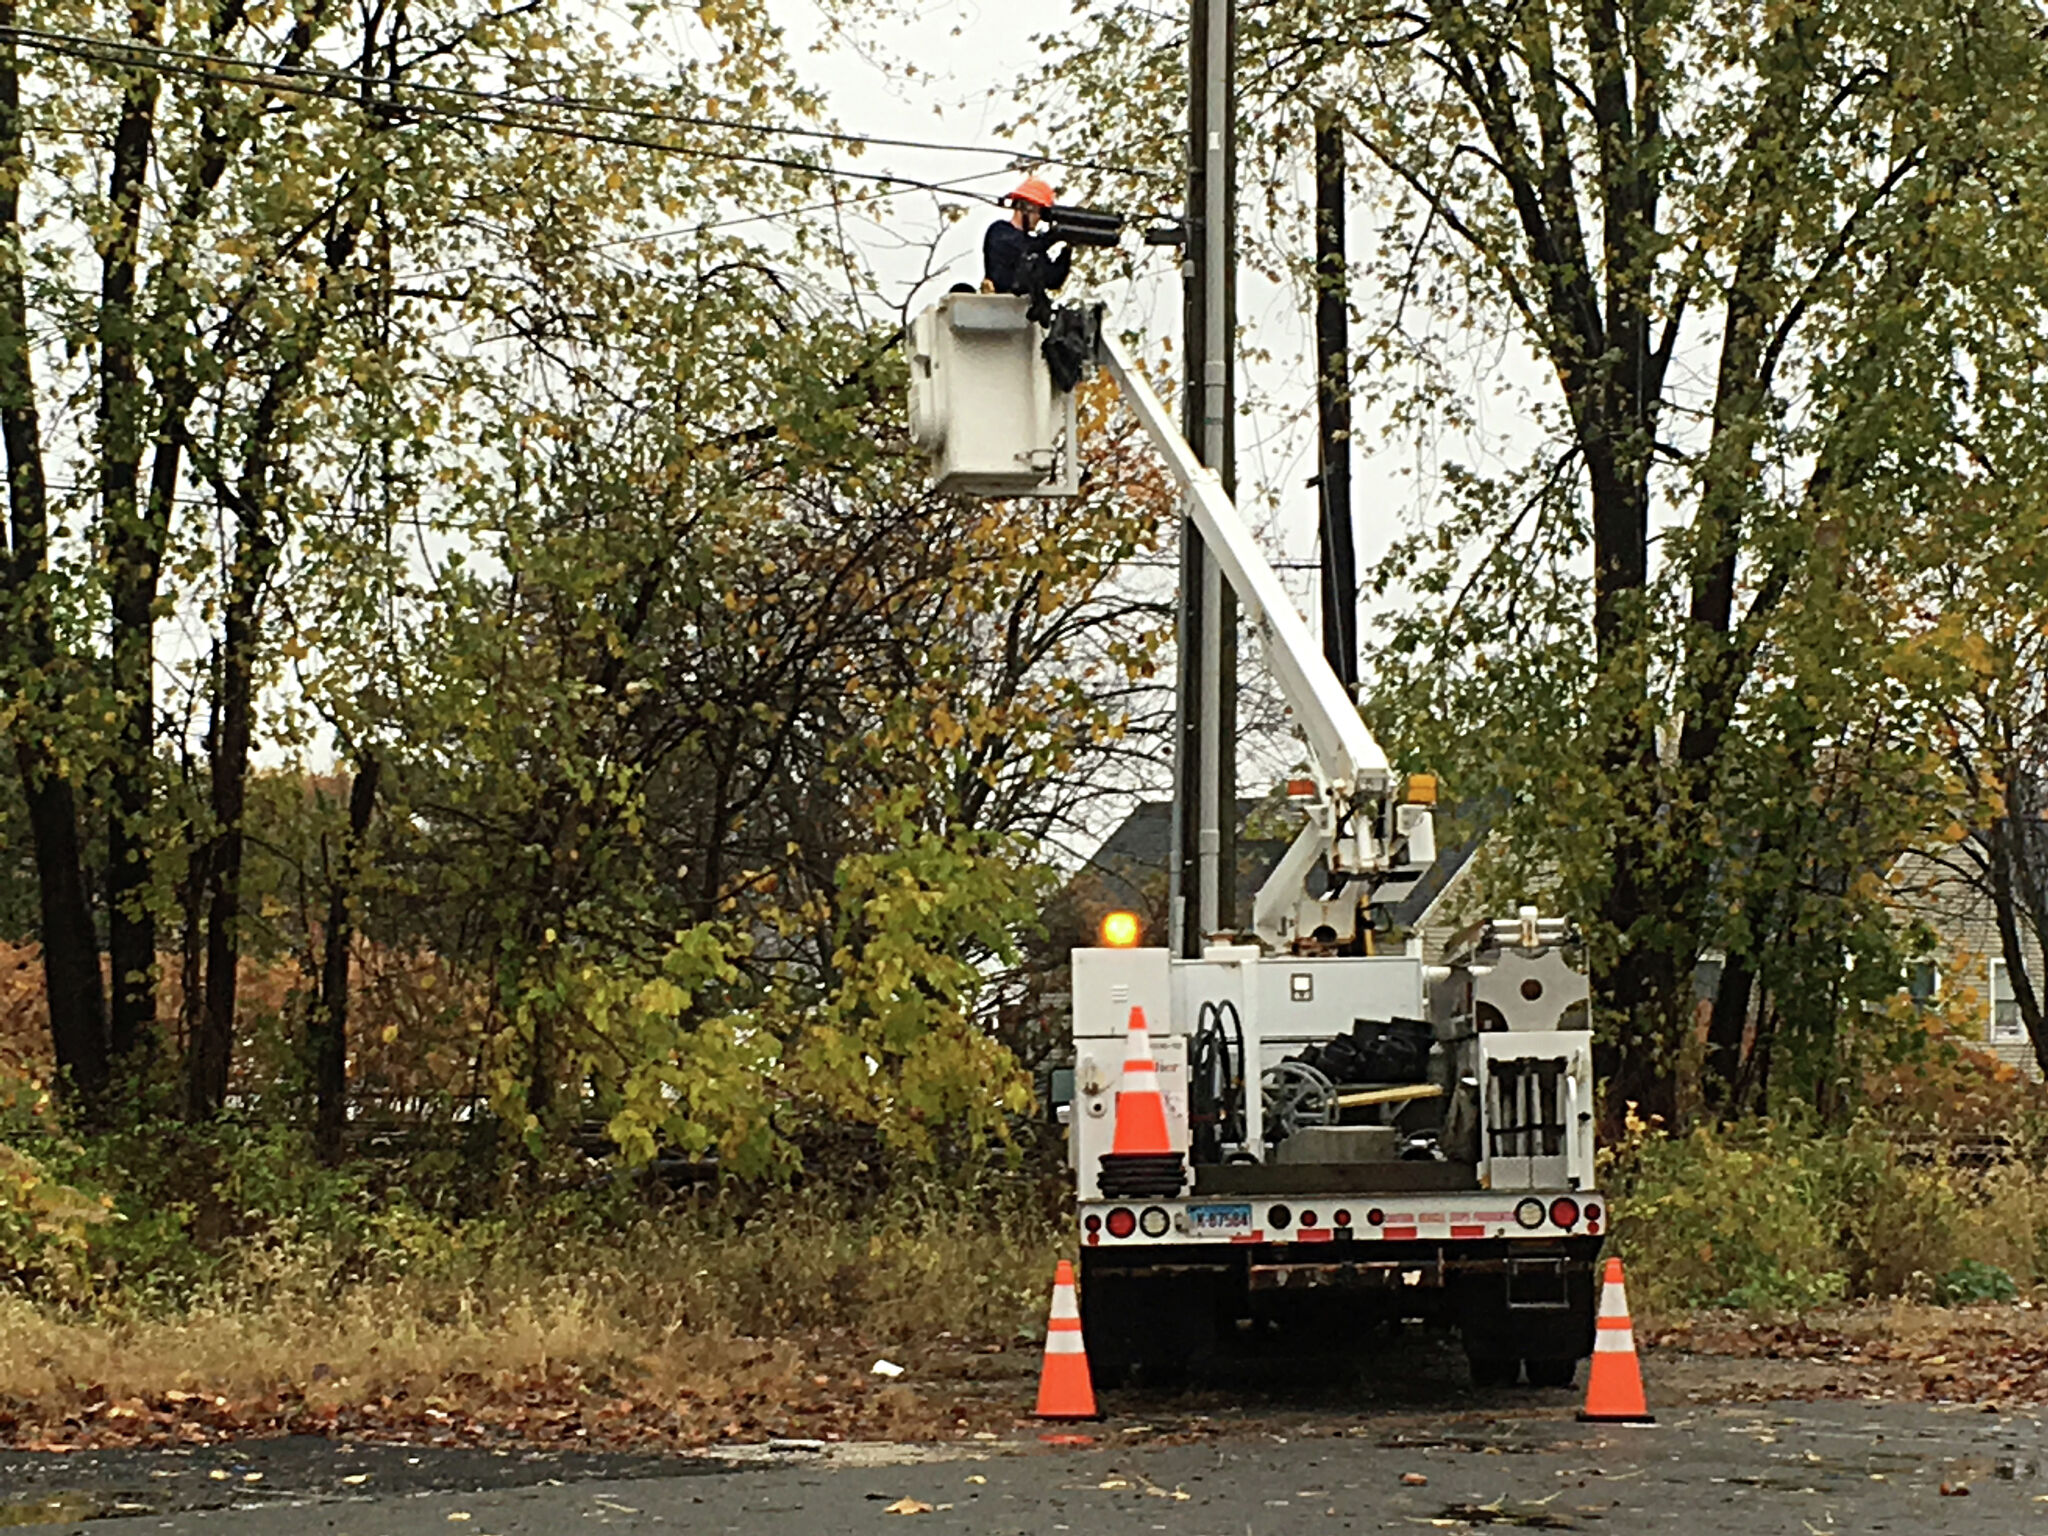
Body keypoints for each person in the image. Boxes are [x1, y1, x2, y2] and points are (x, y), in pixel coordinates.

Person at [982, 177, 1071, 299]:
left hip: (1025, 307)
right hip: (1001, 304)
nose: (1039, 218)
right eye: (1038, 212)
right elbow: (1024, 245)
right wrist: (1053, 236)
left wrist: (1067, 249)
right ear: (1025, 209)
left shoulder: (1035, 249)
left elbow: (1053, 280)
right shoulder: (999, 231)